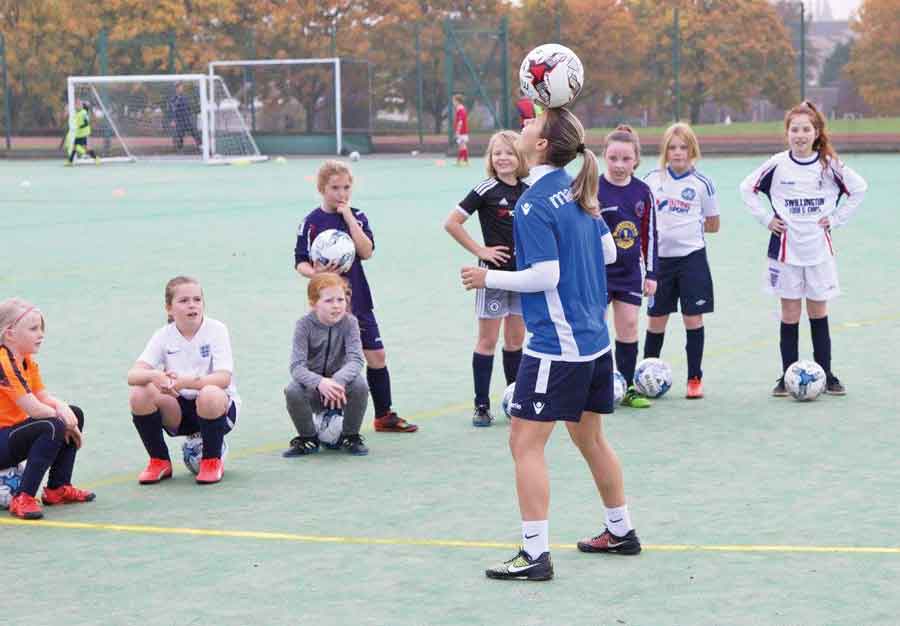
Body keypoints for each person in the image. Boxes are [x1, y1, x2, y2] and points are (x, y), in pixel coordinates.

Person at [461, 107, 641, 582]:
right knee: (590, 437)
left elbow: (547, 275)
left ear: (542, 145)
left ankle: (534, 554)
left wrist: (487, 275)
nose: (523, 126)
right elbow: (607, 251)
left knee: (524, 442)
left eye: (530, 124)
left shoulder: (534, 202)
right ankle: (620, 531)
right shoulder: (578, 189)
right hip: (594, 341)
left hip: (556, 345)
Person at [739, 101, 866, 395]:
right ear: (787, 133)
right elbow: (747, 187)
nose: (800, 135)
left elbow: (860, 188)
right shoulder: (777, 164)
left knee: (819, 312)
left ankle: (827, 374)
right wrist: (766, 218)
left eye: (806, 129)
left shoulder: (829, 165)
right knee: (790, 313)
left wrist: (836, 218)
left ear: (817, 132)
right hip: (785, 251)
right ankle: (787, 376)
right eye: (794, 129)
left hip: (819, 250)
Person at [295, 160, 418, 433]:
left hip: (358, 299)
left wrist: (349, 217)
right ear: (321, 189)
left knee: (377, 356)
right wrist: (315, 274)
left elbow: (366, 251)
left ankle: (384, 415)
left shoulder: (358, 217)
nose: (342, 194)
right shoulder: (311, 223)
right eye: (335, 188)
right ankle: (332, 421)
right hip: (328, 305)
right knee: (333, 361)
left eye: (346, 188)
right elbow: (300, 262)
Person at [444, 130, 529, 427]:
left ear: (521, 157)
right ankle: (481, 405)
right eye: (497, 153)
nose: (503, 158)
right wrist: (481, 250)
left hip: (522, 277)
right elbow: (452, 223)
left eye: (509, 152)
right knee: (487, 340)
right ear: (491, 159)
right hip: (491, 277)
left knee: (516, 340)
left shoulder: (529, 189)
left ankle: (515, 397)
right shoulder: (485, 189)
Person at [127, 276, 239, 485]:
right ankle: (159, 461)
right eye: (184, 301)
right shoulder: (163, 336)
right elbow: (132, 375)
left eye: (197, 299)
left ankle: (212, 461)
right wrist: (156, 375)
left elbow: (223, 378)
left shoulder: (217, 330)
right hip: (180, 410)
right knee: (139, 393)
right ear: (169, 308)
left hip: (218, 409)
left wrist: (186, 382)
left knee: (210, 392)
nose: (192, 305)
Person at [642, 123, 720, 399]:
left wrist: (687, 227)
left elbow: (713, 224)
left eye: (683, 147)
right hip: (659, 262)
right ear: (665, 151)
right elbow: (643, 219)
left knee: (692, 318)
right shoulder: (651, 180)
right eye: (672, 147)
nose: (677, 153)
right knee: (656, 320)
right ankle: (644, 376)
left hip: (692, 260)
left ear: (692, 150)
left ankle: (694, 378)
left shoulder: (702, 184)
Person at [0, 299, 95, 520]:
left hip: (10, 435)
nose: (40, 334)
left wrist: (63, 409)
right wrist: (65, 422)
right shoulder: (4, 362)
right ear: (10, 334)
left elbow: (43, 397)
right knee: (52, 426)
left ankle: (57, 488)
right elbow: (33, 408)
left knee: (73, 413)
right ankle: (23, 497)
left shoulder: (27, 362)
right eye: (33, 329)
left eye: (41, 328)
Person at [599, 125, 658, 408]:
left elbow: (650, 236)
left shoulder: (643, 192)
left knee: (629, 326)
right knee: (595, 327)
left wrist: (652, 273)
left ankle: (627, 386)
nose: (620, 165)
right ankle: (598, 384)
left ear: (636, 159)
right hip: (597, 273)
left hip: (630, 273)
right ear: (604, 158)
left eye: (626, 159)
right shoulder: (591, 189)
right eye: (613, 158)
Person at [283, 273, 369, 456]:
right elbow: (297, 366)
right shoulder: (304, 325)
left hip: (340, 389)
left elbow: (356, 359)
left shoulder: (350, 323)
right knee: (292, 390)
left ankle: (350, 436)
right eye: (329, 301)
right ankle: (308, 439)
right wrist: (320, 383)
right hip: (315, 389)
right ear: (314, 303)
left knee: (360, 385)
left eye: (340, 299)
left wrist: (338, 381)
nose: (337, 305)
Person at [167, 83, 202, 152]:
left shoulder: (185, 97)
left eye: (182, 87)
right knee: (179, 135)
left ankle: (201, 146)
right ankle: (179, 149)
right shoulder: (173, 99)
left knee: (195, 132)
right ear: (176, 88)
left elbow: (189, 108)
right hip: (179, 120)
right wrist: (173, 120)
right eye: (180, 87)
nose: (181, 89)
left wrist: (192, 115)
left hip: (187, 119)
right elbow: (172, 110)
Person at [65, 99, 98, 165]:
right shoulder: (76, 112)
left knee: (81, 147)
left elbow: (86, 123)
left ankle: (95, 158)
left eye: (78, 105)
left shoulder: (84, 112)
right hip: (78, 133)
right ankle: (70, 161)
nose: (77, 106)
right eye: (76, 105)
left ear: (81, 106)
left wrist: (79, 127)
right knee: (75, 147)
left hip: (84, 133)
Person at [453, 94, 469, 166]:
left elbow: (460, 121)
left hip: (462, 131)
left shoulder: (460, 109)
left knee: (462, 145)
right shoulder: (461, 109)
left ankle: (461, 161)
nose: (453, 102)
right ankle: (463, 161)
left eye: (454, 101)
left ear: (457, 101)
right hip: (463, 130)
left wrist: (457, 131)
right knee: (462, 146)